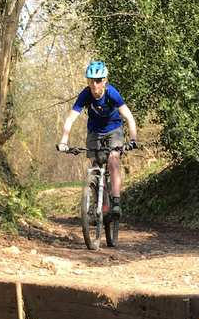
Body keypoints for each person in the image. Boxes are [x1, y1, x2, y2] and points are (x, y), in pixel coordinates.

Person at [56, 60, 138, 217]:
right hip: (95, 131)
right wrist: (64, 141)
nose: (94, 85)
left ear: (105, 80)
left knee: (113, 159)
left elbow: (128, 116)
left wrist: (133, 139)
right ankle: (99, 204)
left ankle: (115, 202)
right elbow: (71, 118)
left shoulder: (112, 93)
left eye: (98, 81)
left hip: (114, 130)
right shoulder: (85, 94)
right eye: (91, 81)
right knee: (95, 166)